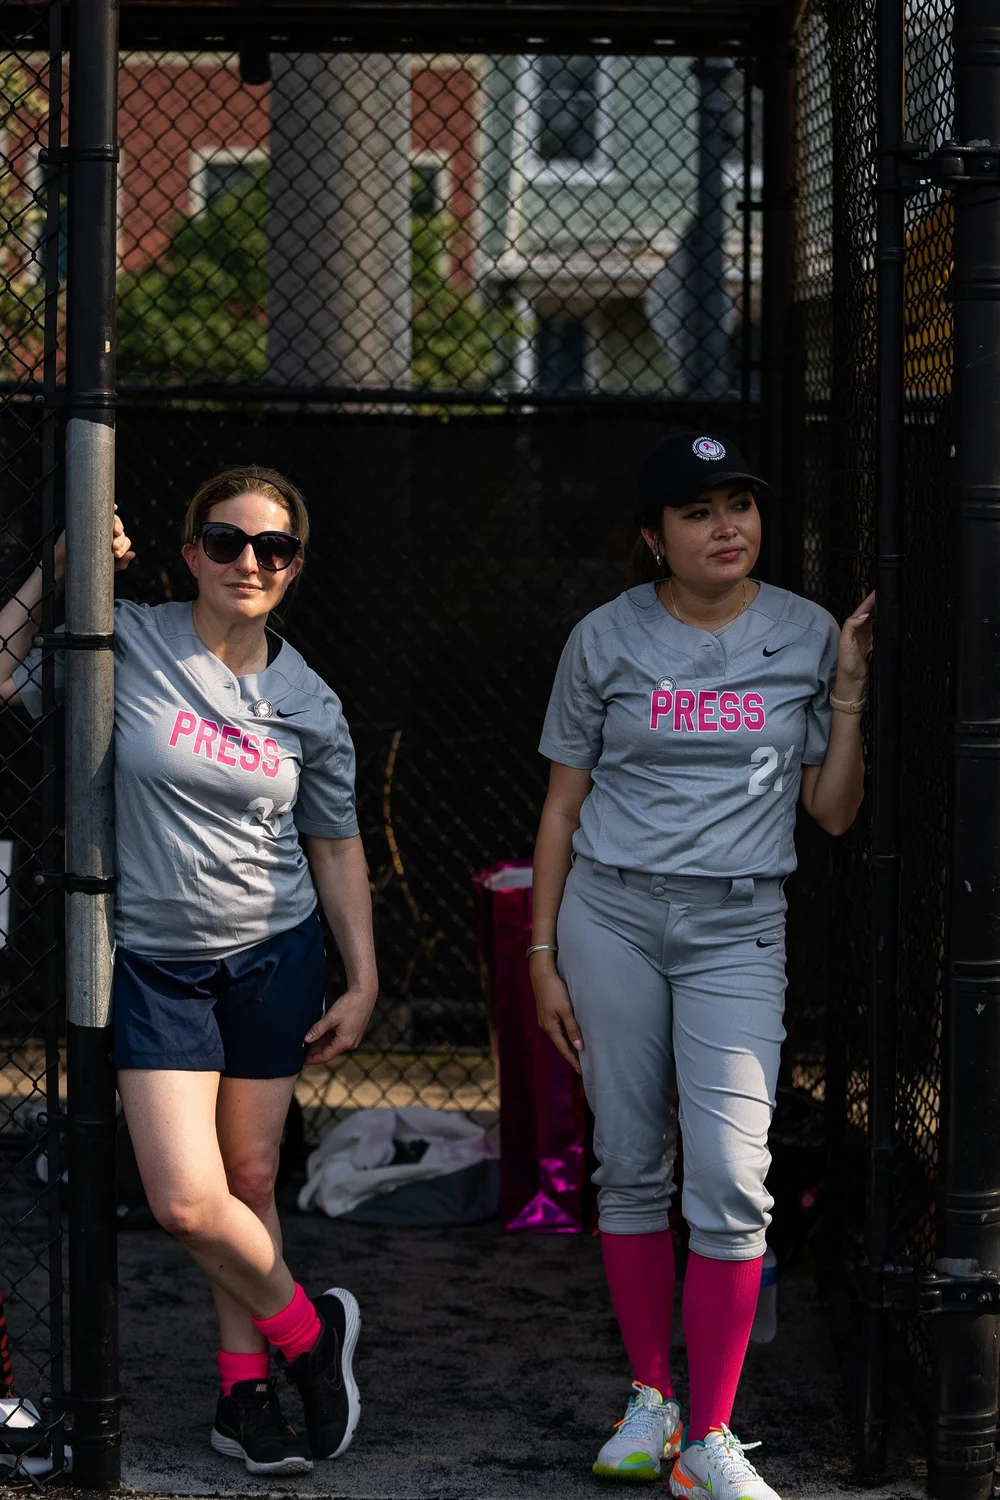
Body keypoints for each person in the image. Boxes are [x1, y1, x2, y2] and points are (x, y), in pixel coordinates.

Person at [0, 466, 378, 1477]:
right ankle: (312, 1337)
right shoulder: (126, 640)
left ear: (295, 568)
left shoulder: (309, 700)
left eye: (272, 548)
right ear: (189, 554)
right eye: (225, 541)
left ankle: (243, 1394)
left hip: (276, 954)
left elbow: (334, 841)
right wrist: (59, 570)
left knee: (248, 1181)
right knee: (183, 1200)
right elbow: (0, 671)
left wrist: (363, 978)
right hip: (159, 965)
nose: (248, 561)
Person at [530, 433, 873, 1500]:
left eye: (739, 505)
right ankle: (651, 1401)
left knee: (729, 1177)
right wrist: (541, 953)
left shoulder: (806, 633)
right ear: (653, 537)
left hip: (738, 926)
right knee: (630, 1163)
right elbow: (562, 808)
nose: (726, 528)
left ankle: (711, 1440)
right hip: (612, 916)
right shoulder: (603, 637)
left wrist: (848, 692)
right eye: (696, 511)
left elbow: (831, 813)